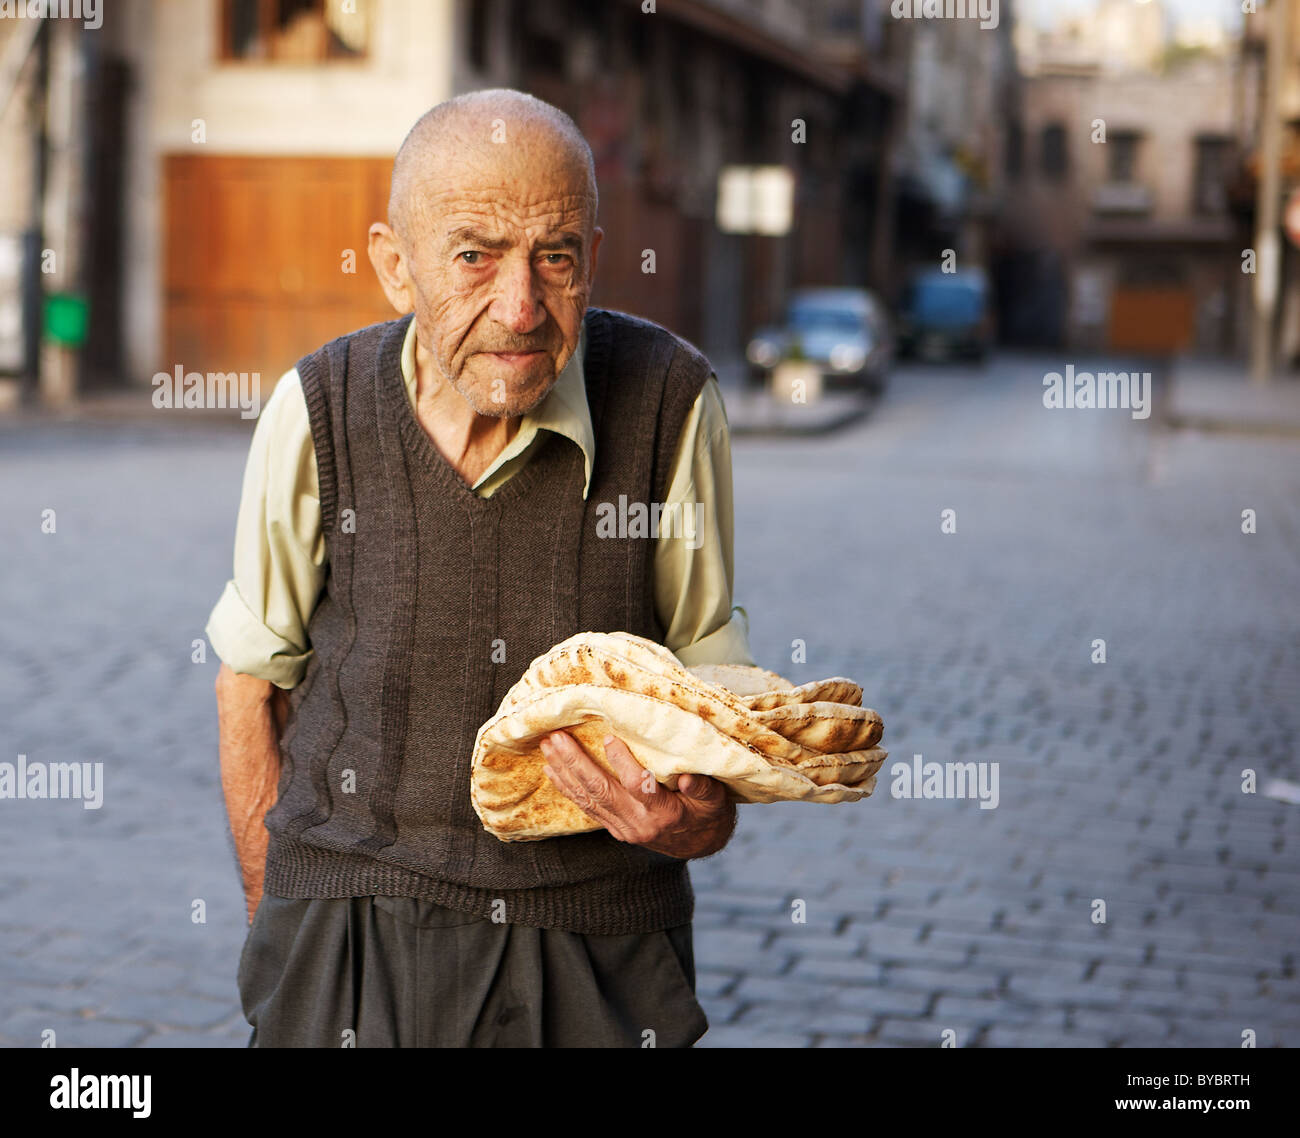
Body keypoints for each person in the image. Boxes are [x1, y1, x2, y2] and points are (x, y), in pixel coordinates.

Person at [208, 88, 755, 1048]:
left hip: (597, 944)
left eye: (556, 257)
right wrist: (281, 938)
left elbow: (714, 704)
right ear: (394, 265)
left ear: (593, 255)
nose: (520, 308)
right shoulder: (317, 409)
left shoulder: (673, 404)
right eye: (474, 256)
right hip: (350, 929)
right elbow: (252, 691)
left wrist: (696, 818)